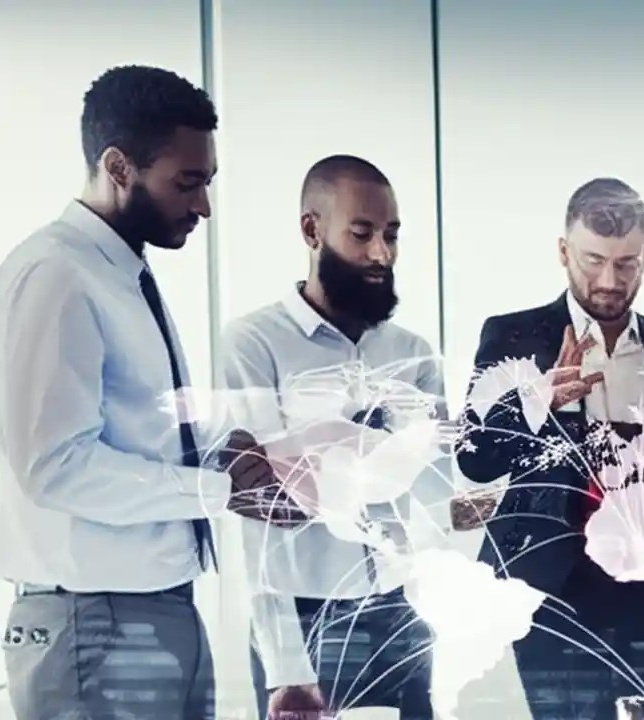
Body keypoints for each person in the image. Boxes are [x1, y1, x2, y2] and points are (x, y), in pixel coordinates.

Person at [0, 65, 290, 720]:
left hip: (157, 606)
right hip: (92, 621)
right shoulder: (56, 275)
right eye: (187, 183)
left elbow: (147, 429)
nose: (203, 206)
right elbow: (54, 467)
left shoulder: (122, 275)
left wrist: (227, 450)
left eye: (207, 182)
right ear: (119, 166)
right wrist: (223, 490)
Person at [455, 177, 644, 719]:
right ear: (563, 251)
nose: (609, 281)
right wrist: (539, 397)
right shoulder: (513, 337)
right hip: (553, 586)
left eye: (627, 263)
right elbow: (474, 458)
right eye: (594, 261)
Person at [221, 155, 445, 719]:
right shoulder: (253, 344)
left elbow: (439, 483)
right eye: (362, 233)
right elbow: (260, 516)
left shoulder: (413, 353)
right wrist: (287, 670)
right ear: (311, 229)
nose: (382, 254)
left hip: (399, 610)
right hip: (303, 617)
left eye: (392, 235)